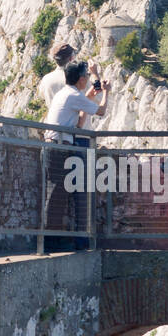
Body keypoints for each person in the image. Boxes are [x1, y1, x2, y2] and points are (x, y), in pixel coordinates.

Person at [43, 61, 110, 251]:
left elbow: (79, 121)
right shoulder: (72, 95)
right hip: (59, 148)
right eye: (87, 77)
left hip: (57, 147)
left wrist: (93, 89)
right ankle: (49, 242)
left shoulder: (65, 94)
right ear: (81, 79)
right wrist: (107, 93)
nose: (88, 80)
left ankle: (52, 240)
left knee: (59, 194)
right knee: (57, 195)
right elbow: (101, 111)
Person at [39, 42, 75, 109]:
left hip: (53, 118)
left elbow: (42, 95)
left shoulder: (46, 79)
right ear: (71, 58)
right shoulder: (76, 78)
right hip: (73, 119)